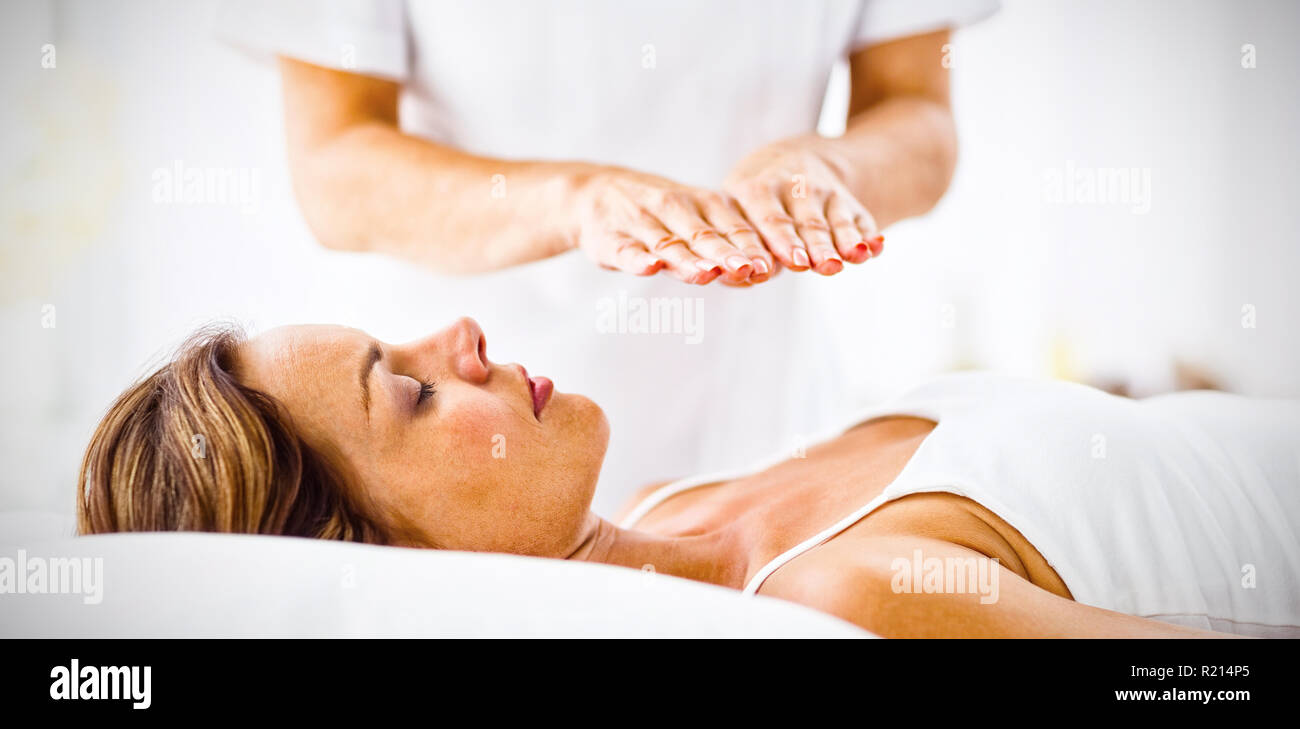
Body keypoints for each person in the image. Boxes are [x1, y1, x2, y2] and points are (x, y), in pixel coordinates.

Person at [213, 0, 999, 512]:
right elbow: (335, 164)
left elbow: (916, 111)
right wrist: (571, 200)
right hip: (455, 495)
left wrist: (831, 170)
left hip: (768, 417)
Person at [79, 318, 1300, 638]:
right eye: (408, 390)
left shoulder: (671, 515)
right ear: (388, 564)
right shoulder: (840, 603)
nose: (457, 338)